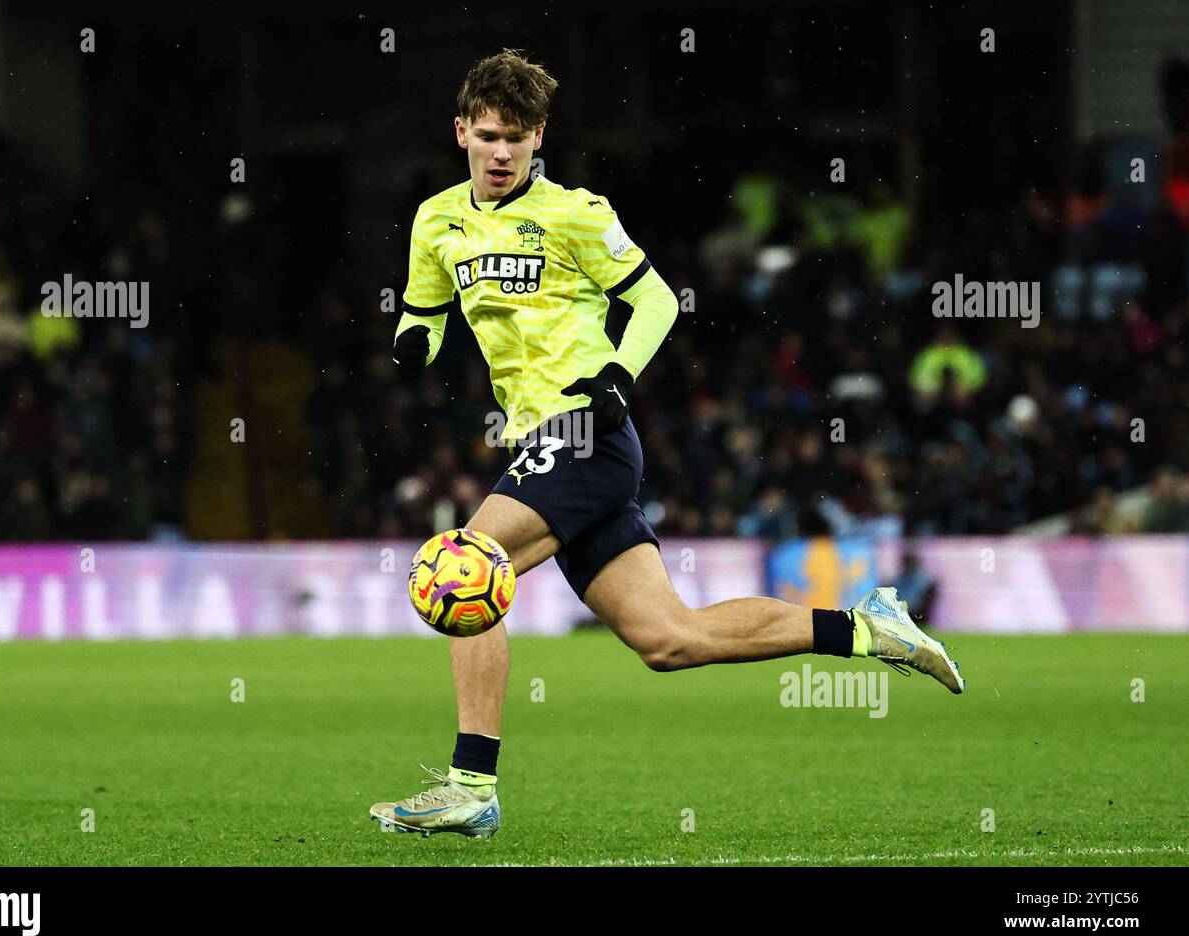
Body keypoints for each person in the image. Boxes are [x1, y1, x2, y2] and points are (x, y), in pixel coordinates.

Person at [372, 49, 964, 840]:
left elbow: (652, 299)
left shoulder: (578, 211)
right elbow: (425, 311)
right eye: (488, 136)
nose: (503, 152)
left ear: (539, 134)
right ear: (461, 133)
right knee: (668, 640)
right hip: (536, 445)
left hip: (586, 431)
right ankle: (867, 628)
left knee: (464, 565)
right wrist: (415, 342)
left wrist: (616, 374)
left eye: (518, 137)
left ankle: (471, 781)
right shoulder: (436, 219)